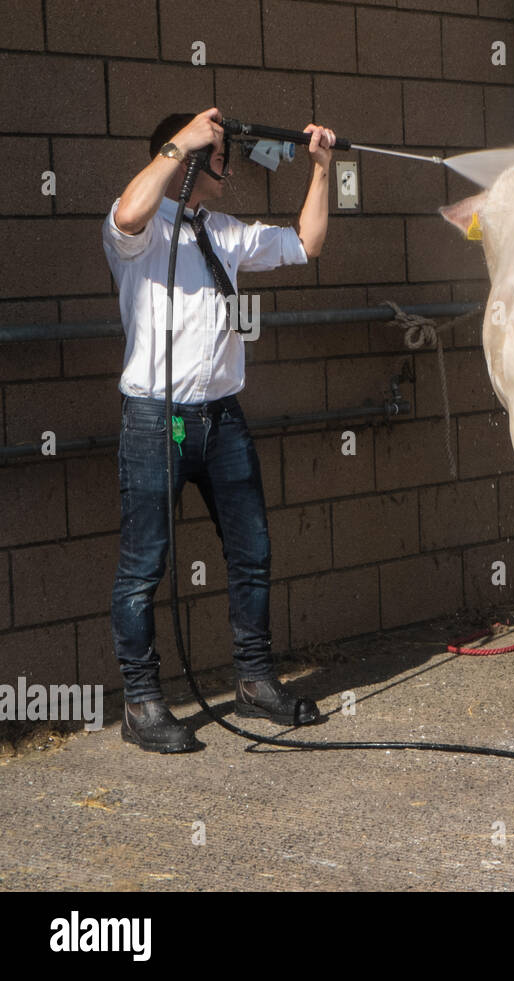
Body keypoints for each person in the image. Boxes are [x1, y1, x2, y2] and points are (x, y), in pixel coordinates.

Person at [103, 107, 336, 753]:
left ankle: (256, 682)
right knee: (144, 565)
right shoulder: (141, 230)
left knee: (252, 552)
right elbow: (126, 212)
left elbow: (306, 244)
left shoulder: (225, 232)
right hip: (159, 421)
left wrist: (321, 170)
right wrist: (182, 141)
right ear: (187, 162)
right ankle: (143, 702)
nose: (228, 163)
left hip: (222, 417)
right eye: (219, 153)